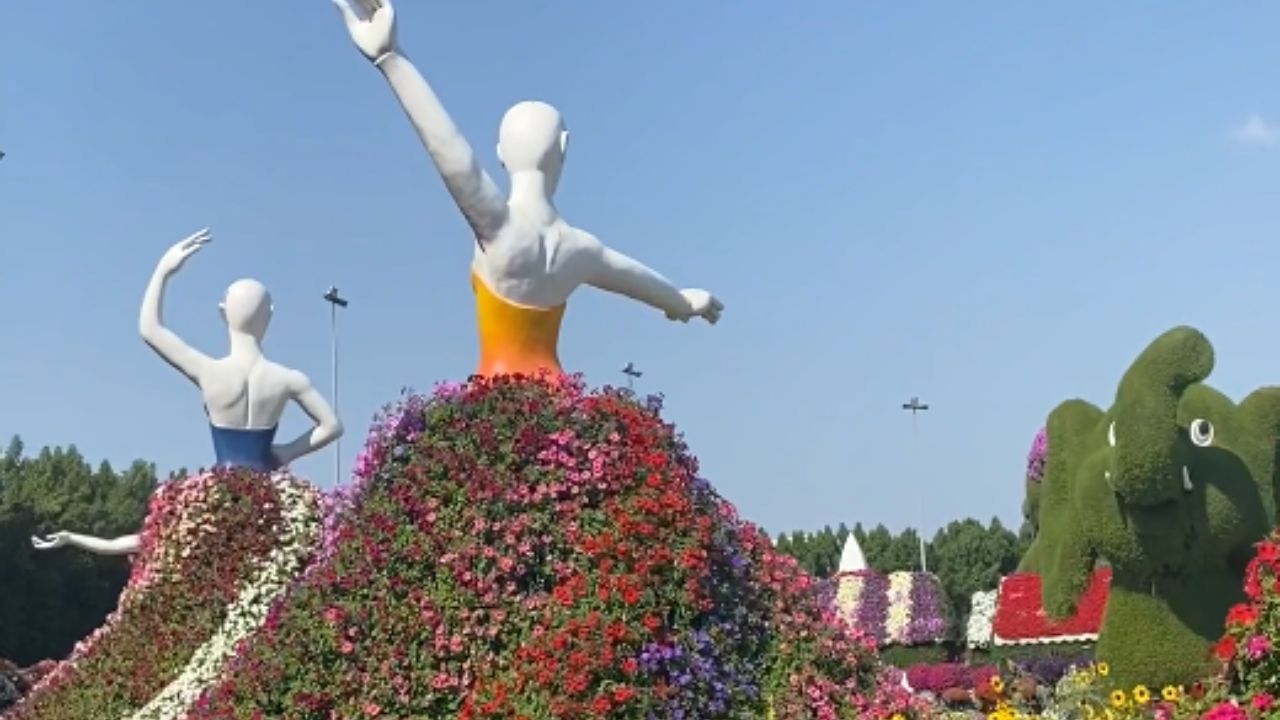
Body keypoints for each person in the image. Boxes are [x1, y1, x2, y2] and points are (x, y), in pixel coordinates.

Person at [332, 0, 724, 377]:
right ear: (564, 148)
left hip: (496, 405)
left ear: (501, 153)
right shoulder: (582, 250)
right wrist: (683, 301)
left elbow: (453, 155)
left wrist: (391, 60)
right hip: (558, 406)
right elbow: (641, 281)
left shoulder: (501, 229)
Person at [32, 230, 343, 555]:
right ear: (271, 315)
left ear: (222, 312)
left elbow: (150, 329)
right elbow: (332, 426)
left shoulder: (210, 373)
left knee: (165, 543)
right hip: (268, 498)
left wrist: (163, 271)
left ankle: (73, 539)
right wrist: (287, 451)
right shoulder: (288, 379)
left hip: (218, 495)